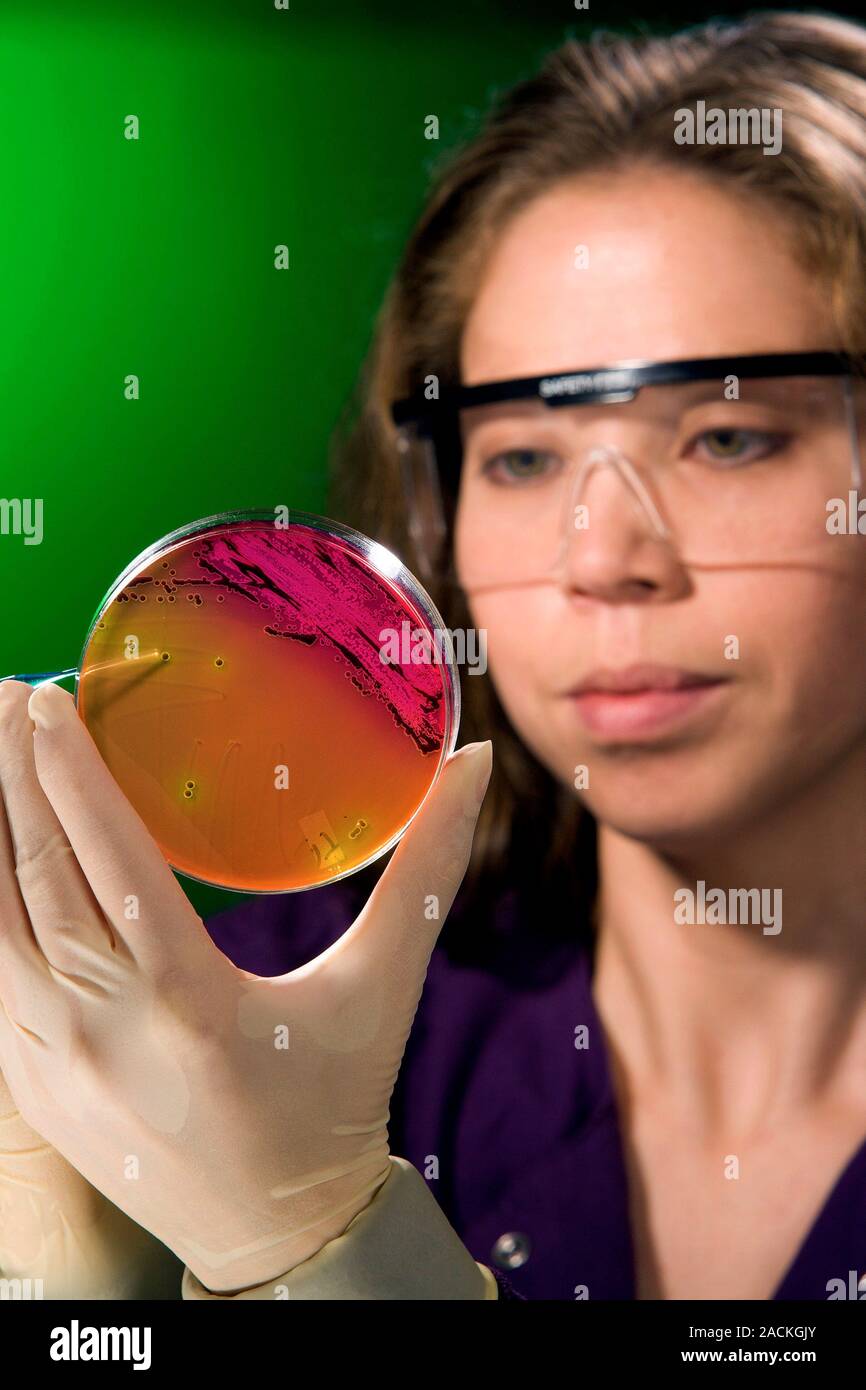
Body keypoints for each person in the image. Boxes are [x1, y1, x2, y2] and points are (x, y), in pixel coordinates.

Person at [1, 9, 865, 1302]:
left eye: (728, 438)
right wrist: (74, 1306)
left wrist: (324, 1251)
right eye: (521, 456)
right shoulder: (223, 1009)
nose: (603, 555)